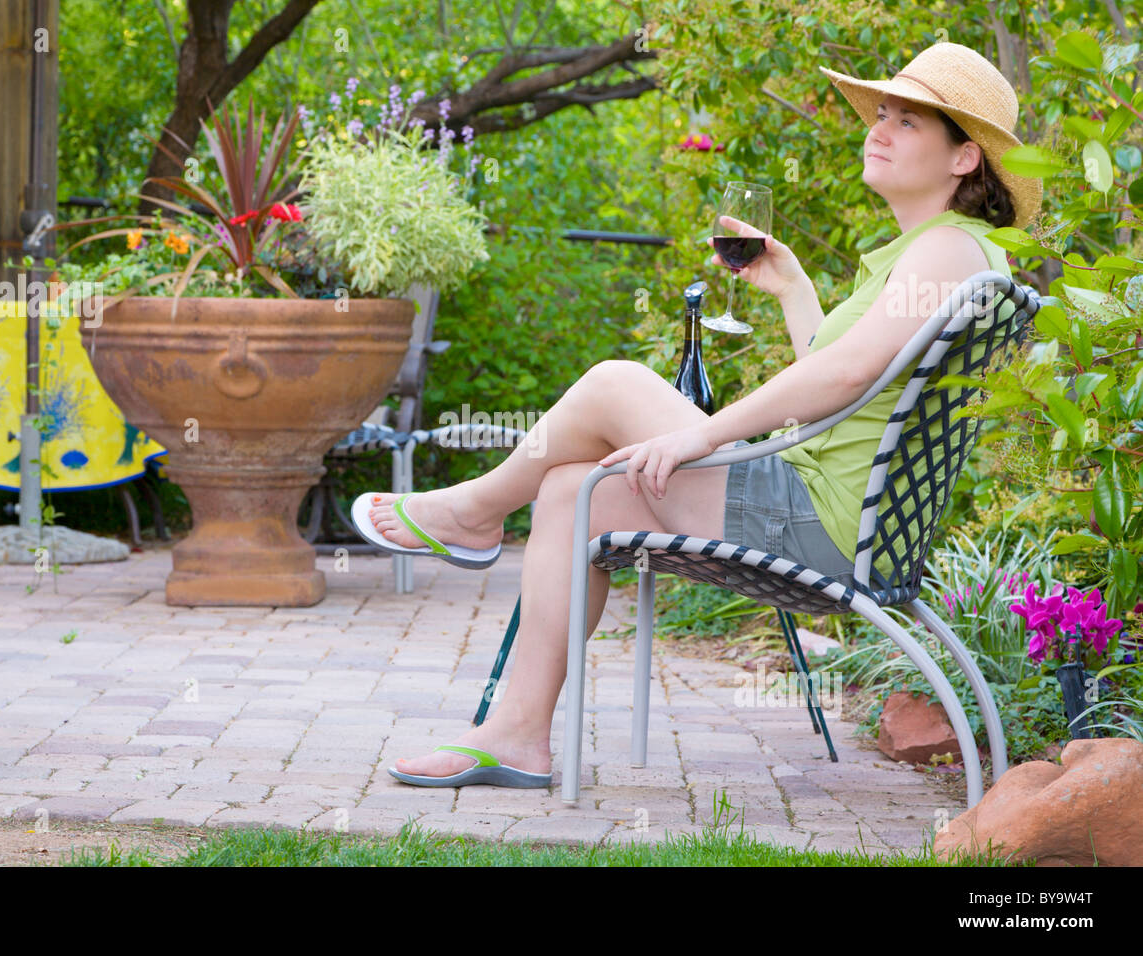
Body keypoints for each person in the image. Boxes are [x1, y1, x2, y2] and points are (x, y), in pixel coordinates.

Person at [352, 42, 1042, 787]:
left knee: (615, 383)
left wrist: (699, 436)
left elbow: (845, 374)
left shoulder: (945, 251)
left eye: (907, 122)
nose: (878, 129)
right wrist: (793, 288)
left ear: (965, 158)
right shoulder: (937, 252)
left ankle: (471, 511)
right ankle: (517, 736)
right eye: (881, 113)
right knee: (566, 492)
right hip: (816, 502)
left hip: (818, 519)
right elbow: (849, 383)